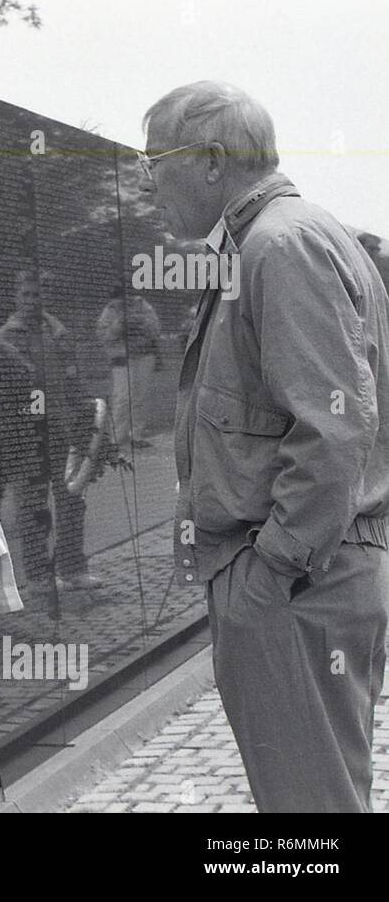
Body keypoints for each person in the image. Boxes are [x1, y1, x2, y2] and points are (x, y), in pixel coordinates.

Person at [142, 80, 389, 812]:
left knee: (309, 810)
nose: (148, 181)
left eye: (156, 160)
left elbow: (334, 426)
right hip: (306, 576)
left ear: (213, 160)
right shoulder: (277, 239)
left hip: (298, 581)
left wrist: (272, 568)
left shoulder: (281, 245)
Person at [0, 270, 100, 595]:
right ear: (16, 297)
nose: (31, 301)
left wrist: (85, 421)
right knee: (34, 506)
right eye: (25, 295)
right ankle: (40, 576)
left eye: (36, 295)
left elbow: (75, 381)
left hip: (64, 429)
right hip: (30, 435)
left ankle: (73, 568)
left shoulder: (58, 333)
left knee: (72, 499)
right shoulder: (8, 337)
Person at [96, 285, 162, 448]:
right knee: (123, 396)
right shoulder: (110, 311)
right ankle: (116, 438)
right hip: (121, 356)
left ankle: (136, 435)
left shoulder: (143, 306)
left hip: (144, 354)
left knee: (140, 396)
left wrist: (139, 322)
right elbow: (102, 335)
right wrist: (118, 326)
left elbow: (155, 329)